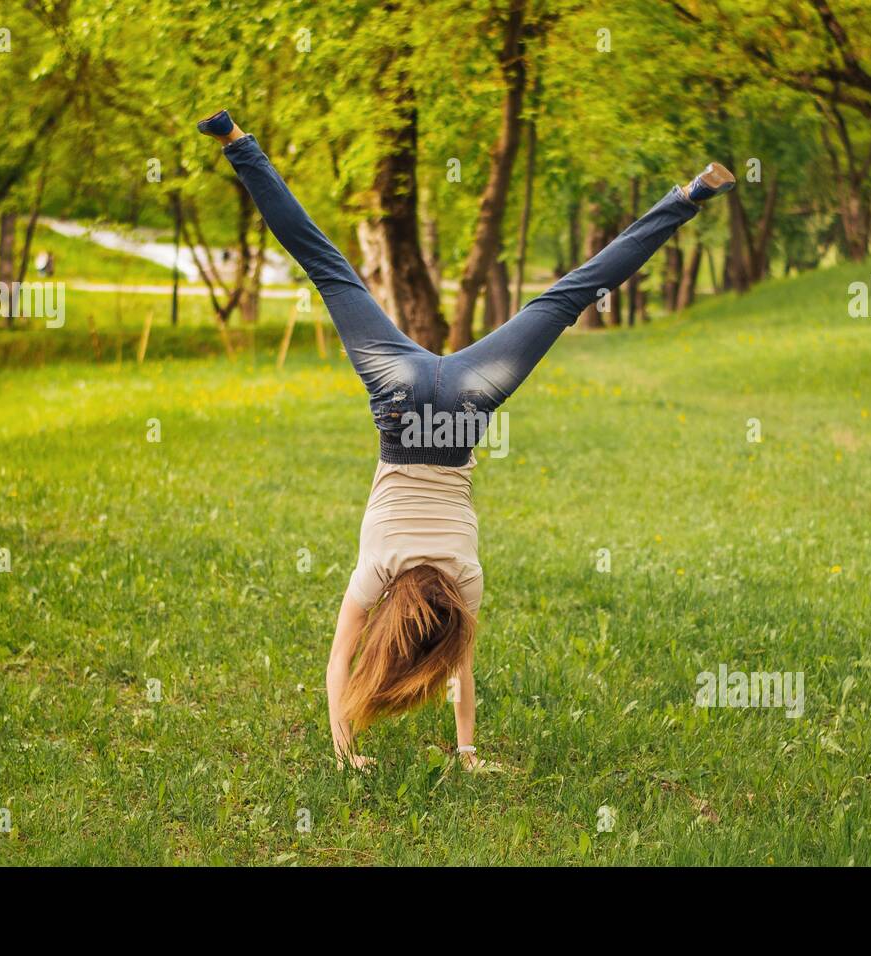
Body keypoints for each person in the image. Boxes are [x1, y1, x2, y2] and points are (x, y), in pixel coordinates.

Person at [198, 108, 734, 770]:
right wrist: (346, 751)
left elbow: (459, 676)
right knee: (328, 266)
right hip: (398, 402)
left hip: (465, 406)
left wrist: (468, 748)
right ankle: (238, 143)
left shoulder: (467, 580)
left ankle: (686, 197)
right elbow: (341, 660)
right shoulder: (376, 576)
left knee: (566, 298)